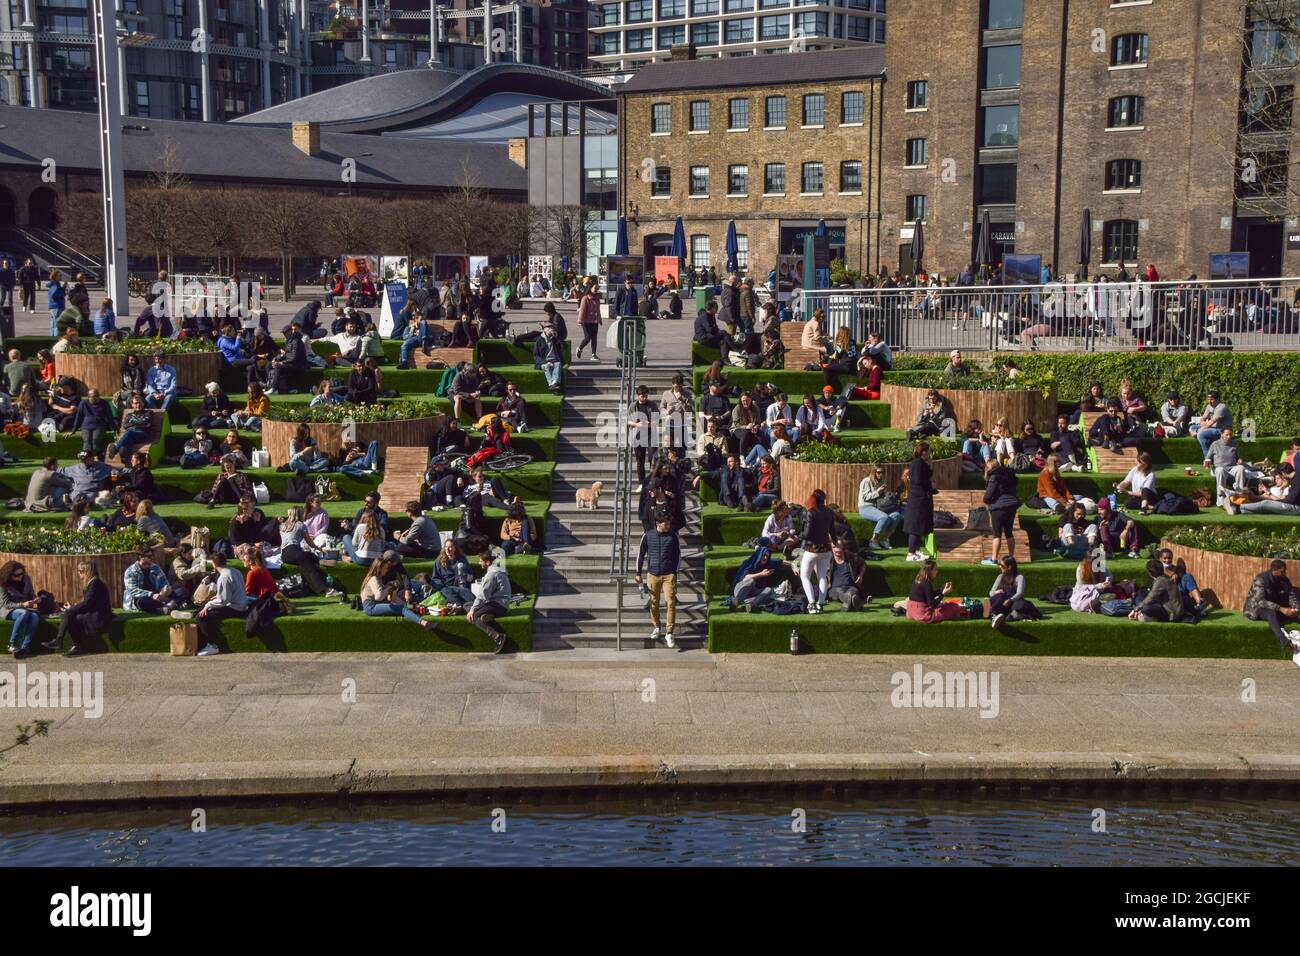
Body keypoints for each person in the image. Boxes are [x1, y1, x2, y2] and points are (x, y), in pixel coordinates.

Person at [48, 559, 112, 658]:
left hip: (100, 616)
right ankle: (69, 643)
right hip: (95, 612)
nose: (79, 573)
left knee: (70, 615)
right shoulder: (93, 583)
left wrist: (72, 609)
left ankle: (64, 642)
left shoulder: (95, 583)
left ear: (86, 571)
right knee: (70, 614)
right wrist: (73, 607)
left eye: (80, 571)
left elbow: (87, 603)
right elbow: (89, 602)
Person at [635, 513, 680, 648]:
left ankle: (669, 632)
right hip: (652, 574)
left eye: (669, 523)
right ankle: (657, 627)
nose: (668, 526)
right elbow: (640, 554)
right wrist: (638, 573)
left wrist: (675, 572)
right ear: (658, 524)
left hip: (669, 575)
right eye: (666, 523)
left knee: (670, 602)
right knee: (653, 602)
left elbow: (678, 555)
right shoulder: (648, 535)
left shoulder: (673, 536)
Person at [1243, 560, 1300, 655]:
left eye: (1285, 571)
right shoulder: (1260, 579)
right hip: (1256, 609)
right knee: (1270, 612)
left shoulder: (1284, 580)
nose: (1284, 573)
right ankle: (1284, 642)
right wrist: (1281, 608)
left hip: (1276, 607)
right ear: (1274, 570)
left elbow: (1291, 596)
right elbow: (1260, 601)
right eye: (1282, 571)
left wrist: (1296, 609)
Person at [195, 552, 247, 656]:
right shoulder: (235, 571)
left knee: (201, 617)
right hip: (240, 604)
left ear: (214, 564)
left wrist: (208, 605)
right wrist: (215, 598)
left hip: (235, 608)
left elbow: (224, 601)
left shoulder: (223, 577)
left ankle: (211, 645)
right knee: (202, 610)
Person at [981, 456, 1021, 566]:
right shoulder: (1009, 474)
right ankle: (1011, 559)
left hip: (998, 507)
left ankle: (994, 559)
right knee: (1009, 533)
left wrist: (987, 500)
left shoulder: (994, 476)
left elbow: (988, 496)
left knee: (997, 534)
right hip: (1012, 505)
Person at [467, 551, 510, 652]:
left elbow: (482, 596)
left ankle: (497, 637)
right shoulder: (498, 569)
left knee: (474, 616)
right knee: (466, 605)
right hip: (500, 603)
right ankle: (490, 615)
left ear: (487, 562)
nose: (479, 563)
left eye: (481, 561)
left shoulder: (491, 574)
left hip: (498, 605)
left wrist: (472, 610)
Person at [799, 489, 835, 614]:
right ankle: (820, 603)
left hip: (812, 549)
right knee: (822, 576)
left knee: (804, 575)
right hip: (826, 549)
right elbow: (833, 531)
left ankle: (811, 603)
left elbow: (807, 533)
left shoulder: (811, 512)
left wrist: (799, 536)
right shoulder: (830, 512)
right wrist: (834, 542)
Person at [0, 561, 43, 658]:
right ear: (9, 575)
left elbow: (31, 594)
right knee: (23, 613)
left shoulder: (26, 579)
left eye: (21, 573)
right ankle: (11, 643)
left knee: (35, 616)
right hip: (9, 610)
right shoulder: (2, 584)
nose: (20, 576)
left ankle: (24, 648)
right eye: (16, 575)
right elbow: (6, 604)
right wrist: (23, 604)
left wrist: (36, 599)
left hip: (27, 607)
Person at [907, 559, 969, 623]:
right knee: (954, 606)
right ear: (930, 571)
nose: (937, 571)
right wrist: (943, 594)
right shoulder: (927, 584)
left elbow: (929, 596)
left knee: (944, 604)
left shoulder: (918, 579)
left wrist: (940, 590)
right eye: (935, 569)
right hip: (921, 614)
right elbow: (933, 605)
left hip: (910, 612)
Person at [904, 441, 937, 562]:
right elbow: (917, 480)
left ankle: (917, 551)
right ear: (924, 452)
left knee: (918, 527)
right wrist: (929, 485)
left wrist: (930, 463)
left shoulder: (921, 463)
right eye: (929, 451)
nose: (930, 453)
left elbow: (928, 474)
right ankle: (911, 553)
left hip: (920, 499)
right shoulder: (917, 463)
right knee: (914, 527)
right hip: (918, 499)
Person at [858, 464, 903, 550]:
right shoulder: (866, 481)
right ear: (874, 472)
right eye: (879, 472)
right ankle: (873, 541)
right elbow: (865, 497)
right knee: (884, 517)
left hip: (879, 507)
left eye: (883, 472)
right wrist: (877, 492)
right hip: (866, 507)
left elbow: (881, 498)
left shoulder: (882, 481)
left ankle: (885, 539)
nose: (881, 474)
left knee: (896, 515)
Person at [1128, 559, 1186, 623]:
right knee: (1140, 595)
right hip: (1165, 606)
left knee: (1146, 608)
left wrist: (1135, 609)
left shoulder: (1161, 581)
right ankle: (1142, 613)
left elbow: (1150, 598)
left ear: (1149, 573)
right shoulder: (1163, 578)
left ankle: (1146, 616)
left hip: (1172, 613)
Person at [731, 546, 785, 613]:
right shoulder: (749, 562)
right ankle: (736, 602)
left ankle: (750, 606)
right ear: (759, 555)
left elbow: (781, 561)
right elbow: (745, 578)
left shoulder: (768, 564)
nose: (765, 558)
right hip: (741, 589)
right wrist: (761, 574)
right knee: (751, 581)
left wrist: (793, 565)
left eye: (767, 556)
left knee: (769, 589)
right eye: (763, 555)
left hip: (753, 593)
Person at [123, 546, 176, 614]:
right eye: (149, 556)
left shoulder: (155, 568)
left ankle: (166, 606)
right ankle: (168, 605)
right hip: (141, 598)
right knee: (142, 602)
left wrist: (165, 590)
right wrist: (151, 594)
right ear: (140, 557)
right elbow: (133, 590)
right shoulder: (131, 571)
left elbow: (164, 582)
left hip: (158, 596)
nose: (151, 558)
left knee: (181, 591)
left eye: (152, 556)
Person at [106, 392, 153, 463]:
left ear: (143, 404)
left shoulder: (148, 413)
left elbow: (146, 422)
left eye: (139, 403)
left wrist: (133, 424)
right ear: (132, 405)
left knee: (130, 432)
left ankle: (116, 447)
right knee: (123, 447)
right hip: (131, 436)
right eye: (136, 403)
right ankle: (125, 459)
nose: (138, 405)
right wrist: (139, 423)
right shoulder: (129, 415)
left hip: (143, 435)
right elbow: (125, 425)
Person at [827, 539, 868, 611]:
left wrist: (860, 575)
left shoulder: (851, 557)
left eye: (839, 547)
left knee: (853, 592)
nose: (837, 549)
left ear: (843, 547)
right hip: (834, 589)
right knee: (839, 592)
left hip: (851, 586)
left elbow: (863, 563)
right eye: (834, 547)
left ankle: (848, 604)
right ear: (831, 548)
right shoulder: (828, 559)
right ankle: (854, 604)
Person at [71, 387, 114, 455]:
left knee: (95, 440)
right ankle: (87, 459)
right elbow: (78, 416)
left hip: (99, 425)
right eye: (94, 396)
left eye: (98, 396)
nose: (97, 398)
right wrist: (73, 430)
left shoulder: (104, 403)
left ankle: (94, 457)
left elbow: (110, 416)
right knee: (87, 440)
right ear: (89, 397)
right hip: (86, 426)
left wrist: (115, 428)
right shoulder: (83, 403)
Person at [1190, 390, 1232, 457]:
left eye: (1212, 399)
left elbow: (1211, 422)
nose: (1209, 401)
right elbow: (1203, 418)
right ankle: (1208, 442)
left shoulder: (1221, 407)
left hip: (1222, 430)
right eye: (1208, 399)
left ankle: (1208, 458)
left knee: (1200, 434)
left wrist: (1197, 431)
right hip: (1212, 427)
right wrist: (1202, 422)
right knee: (1192, 427)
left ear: (1217, 399)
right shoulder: (1209, 406)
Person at [576, 284, 601, 361]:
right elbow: (582, 310)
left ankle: (593, 354)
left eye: (597, 288)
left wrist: (599, 319)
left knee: (594, 338)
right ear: (590, 288)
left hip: (595, 321)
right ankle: (579, 348)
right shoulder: (585, 298)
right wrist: (580, 320)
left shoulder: (597, 298)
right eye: (595, 288)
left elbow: (598, 310)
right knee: (588, 338)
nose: (596, 289)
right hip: (586, 321)